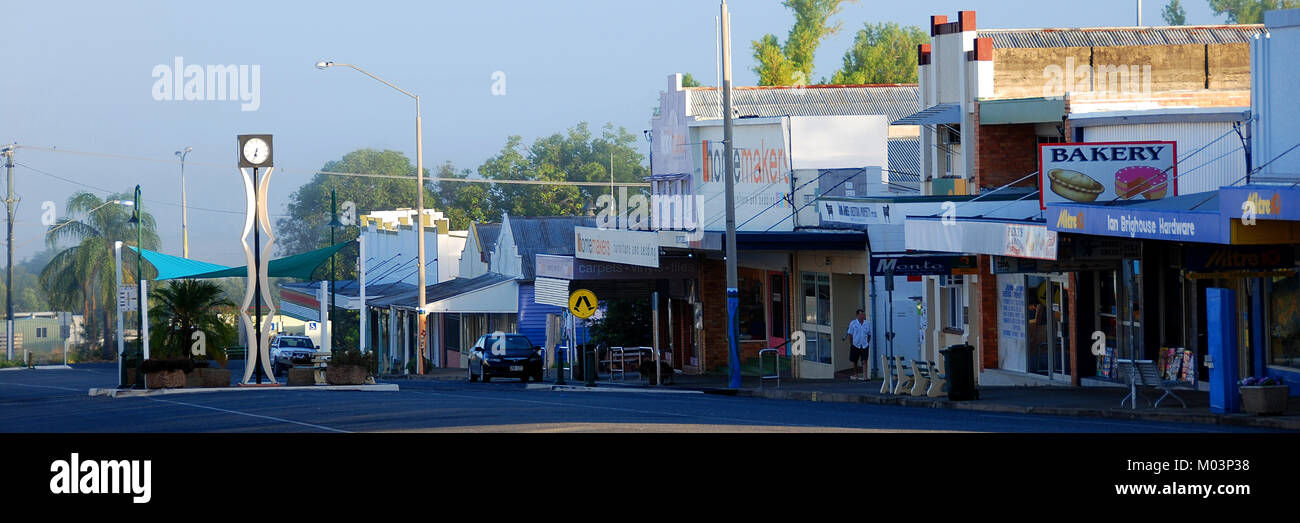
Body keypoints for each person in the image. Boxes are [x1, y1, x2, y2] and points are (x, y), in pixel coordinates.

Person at [844, 309, 872, 380]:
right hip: (855, 344)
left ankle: (865, 376)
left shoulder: (867, 323)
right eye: (861, 315)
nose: (863, 316)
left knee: (864, 360)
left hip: (864, 345)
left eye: (863, 315)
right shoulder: (853, 323)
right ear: (857, 315)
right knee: (855, 361)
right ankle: (856, 375)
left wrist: (867, 342)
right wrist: (851, 343)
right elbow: (850, 334)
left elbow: (869, 334)